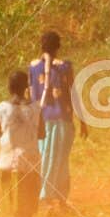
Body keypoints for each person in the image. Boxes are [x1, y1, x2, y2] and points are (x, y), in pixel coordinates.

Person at [30, 30, 88, 208]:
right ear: (58, 47)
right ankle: (52, 197)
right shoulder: (65, 67)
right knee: (60, 159)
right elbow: (73, 94)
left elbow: (32, 94)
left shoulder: (33, 67)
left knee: (46, 157)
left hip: (42, 119)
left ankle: (50, 196)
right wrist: (83, 121)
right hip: (63, 120)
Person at [0, 69, 43, 217]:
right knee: (28, 202)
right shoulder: (36, 107)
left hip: (7, 161)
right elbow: (42, 134)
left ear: (9, 87)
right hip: (30, 161)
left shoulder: (2, 108)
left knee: (12, 202)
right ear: (26, 87)